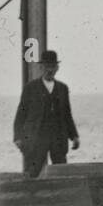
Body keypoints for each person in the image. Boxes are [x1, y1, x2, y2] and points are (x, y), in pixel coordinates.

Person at [12, 50, 80, 179]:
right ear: (41, 67)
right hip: (36, 138)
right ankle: (30, 197)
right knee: (32, 172)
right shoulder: (30, 88)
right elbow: (21, 114)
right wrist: (18, 137)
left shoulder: (63, 88)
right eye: (46, 66)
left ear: (57, 68)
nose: (49, 69)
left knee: (61, 172)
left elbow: (67, 114)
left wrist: (74, 136)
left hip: (58, 137)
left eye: (52, 66)